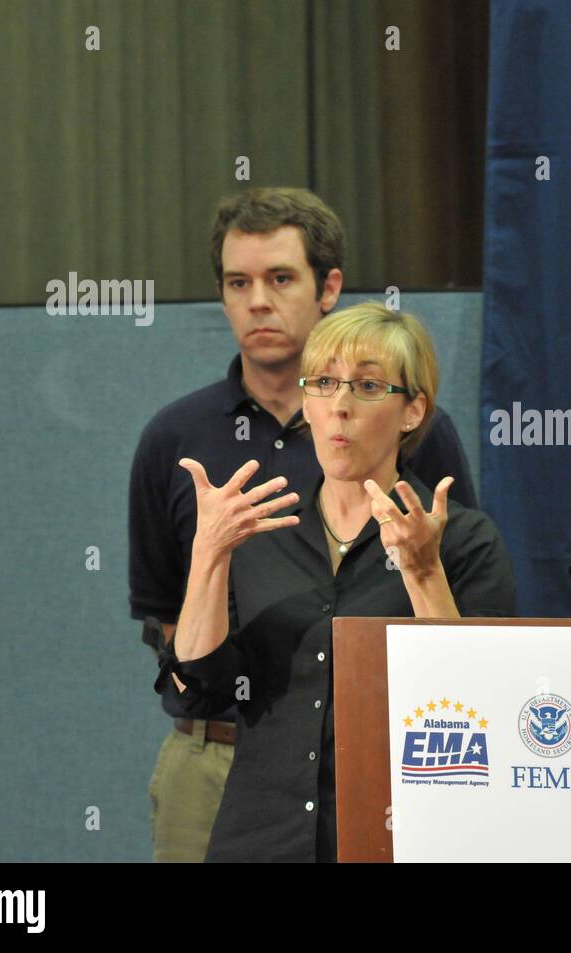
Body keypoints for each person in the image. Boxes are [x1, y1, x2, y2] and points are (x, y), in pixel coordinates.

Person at [129, 188, 478, 862]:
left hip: (373, 764)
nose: (258, 300)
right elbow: (164, 611)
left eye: (280, 278)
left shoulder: (415, 433)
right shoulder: (175, 437)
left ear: (329, 288)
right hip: (215, 753)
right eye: (238, 282)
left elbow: (459, 579)